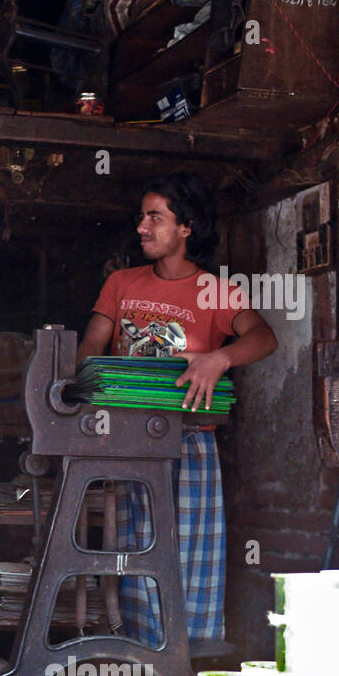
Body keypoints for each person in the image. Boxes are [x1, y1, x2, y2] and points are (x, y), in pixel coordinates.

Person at [75, 172, 278, 647]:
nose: (142, 228)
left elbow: (264, 337)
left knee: (188, 563)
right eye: (142, 217)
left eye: (155, 218)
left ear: (186, 227)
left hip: (189, 444)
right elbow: (89, 350)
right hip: (127, 444)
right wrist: (116, 384)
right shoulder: (121, 283)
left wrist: (219, 357)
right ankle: (136, 665)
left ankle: (186, 670)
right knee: (132, 560)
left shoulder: (214, 290)